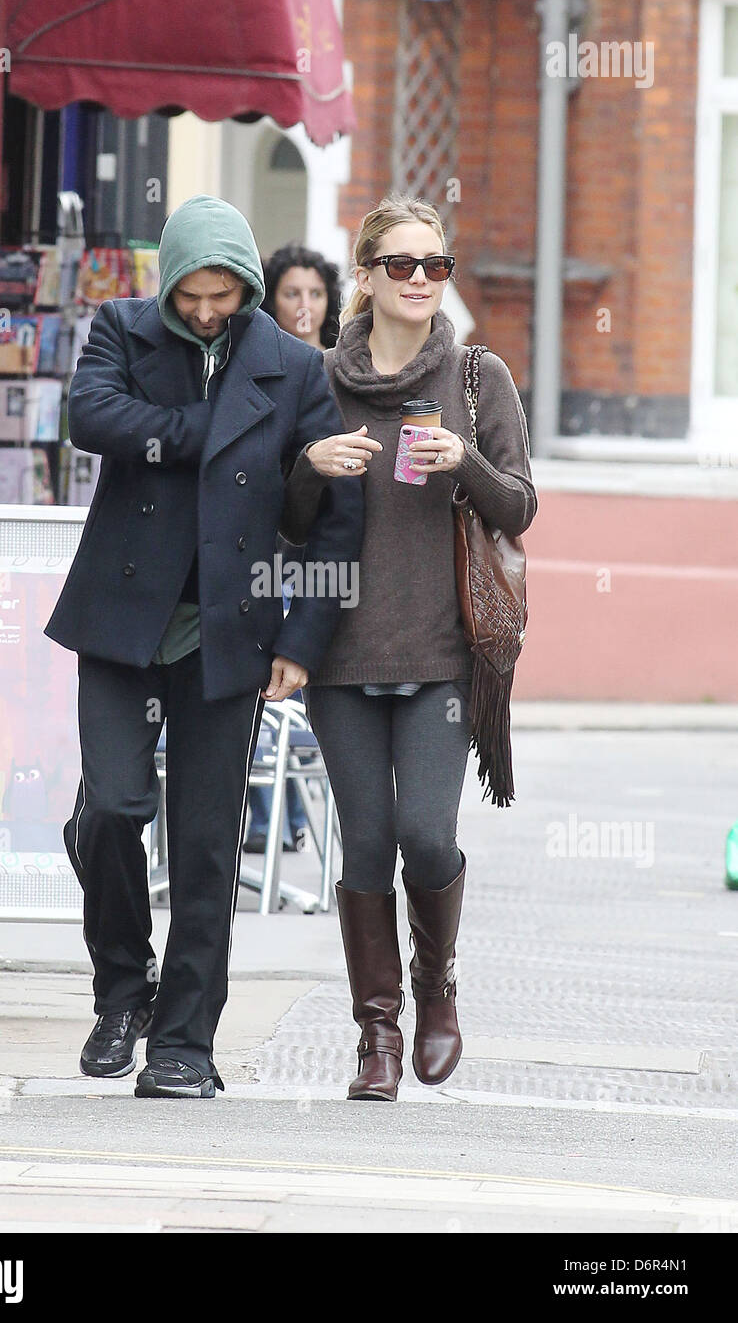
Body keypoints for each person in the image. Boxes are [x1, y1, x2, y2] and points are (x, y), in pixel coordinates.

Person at [45, 195, 363, 1099]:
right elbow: (93, 418)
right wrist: (205, 436)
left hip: (232, 634)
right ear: (171, 280)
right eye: (194, 295)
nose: (209, 311)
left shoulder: (295, 367)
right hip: (120, 624)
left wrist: (303, 638)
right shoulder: (122, 327)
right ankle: (120, 989)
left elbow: (338, 518)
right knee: (110, 811)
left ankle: (185, 1042)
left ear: (252, 289)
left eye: (227, 296)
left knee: (205, 845)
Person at [283, 194, 537, 1102]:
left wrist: (463, 462)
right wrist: (307, 468)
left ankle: (437, 987)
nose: (423, 280)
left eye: (437, 265)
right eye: (403, 265)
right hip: (342, 652)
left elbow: (520, 508)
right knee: (364, 846)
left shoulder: (479, 377)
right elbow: (282, 516)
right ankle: (377, 1036)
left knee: (427, 837)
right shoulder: (318, 379)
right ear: (366, 275)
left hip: (442, 651)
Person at [243, 244, 344, 854]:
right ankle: (263, 821)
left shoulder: (333, 371)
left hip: (309, 565)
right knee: (259, 693)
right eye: (291, 294)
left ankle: (288, 818)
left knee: (291, 699)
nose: (304, 307)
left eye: (315, 294)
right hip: (259, 556)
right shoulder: (251, 368)